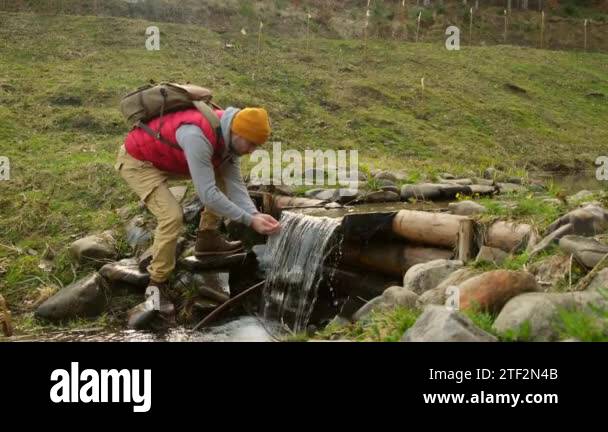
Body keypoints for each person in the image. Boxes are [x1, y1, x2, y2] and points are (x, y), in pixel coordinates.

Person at [114, 106, 281, 327]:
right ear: (237, 133)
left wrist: (255, 214)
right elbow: (208, 194)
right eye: (250, 144)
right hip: (138, 162)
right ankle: (156, 285)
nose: (251, 151)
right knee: (172, 217)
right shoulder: (197, 136)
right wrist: (250, 221)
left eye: (256, 146)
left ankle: (208, 238)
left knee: (221, 176)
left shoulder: (229, 141)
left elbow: (235, 185)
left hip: (167, 157)